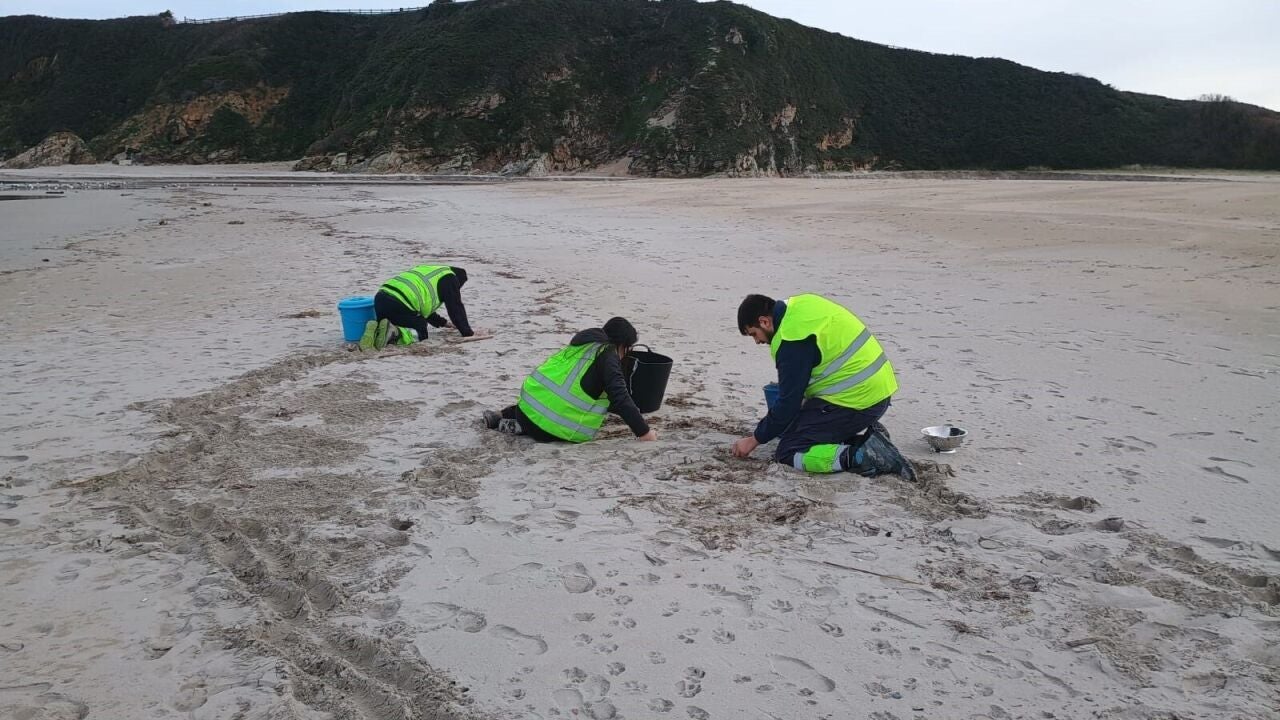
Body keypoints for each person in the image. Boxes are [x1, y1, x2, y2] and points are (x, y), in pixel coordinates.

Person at [732, 293, 914, 479]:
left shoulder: (791, 339)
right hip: (878, 391)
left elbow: (788, 404)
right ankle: (866, 439)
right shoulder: (801, 305)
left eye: (754, 334)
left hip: (857, 401)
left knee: (789, 451)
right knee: (801, 426)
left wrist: (754, 440)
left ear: (764, 322)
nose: (757, 341)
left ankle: (860, 456)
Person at [483, 317, 658, 443]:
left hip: (526, 408)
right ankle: (525, 429)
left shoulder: (581, 346)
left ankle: (502, 415)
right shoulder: (607, 355)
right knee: (550, 418)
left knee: (550, 401)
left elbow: (582, 390)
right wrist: (644, 432)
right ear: (623, 345)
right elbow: (620, 397)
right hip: (554, 431)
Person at [359, 264, 476, 350]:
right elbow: (456, 308)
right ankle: (397, 333)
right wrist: (467, 332)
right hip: (400, 302)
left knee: (399, 318)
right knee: (420, 327)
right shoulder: (450, 279)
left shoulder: (432, 270)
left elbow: (425, 307)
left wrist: (443, 323)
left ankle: (375, 329)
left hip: (381, 298)